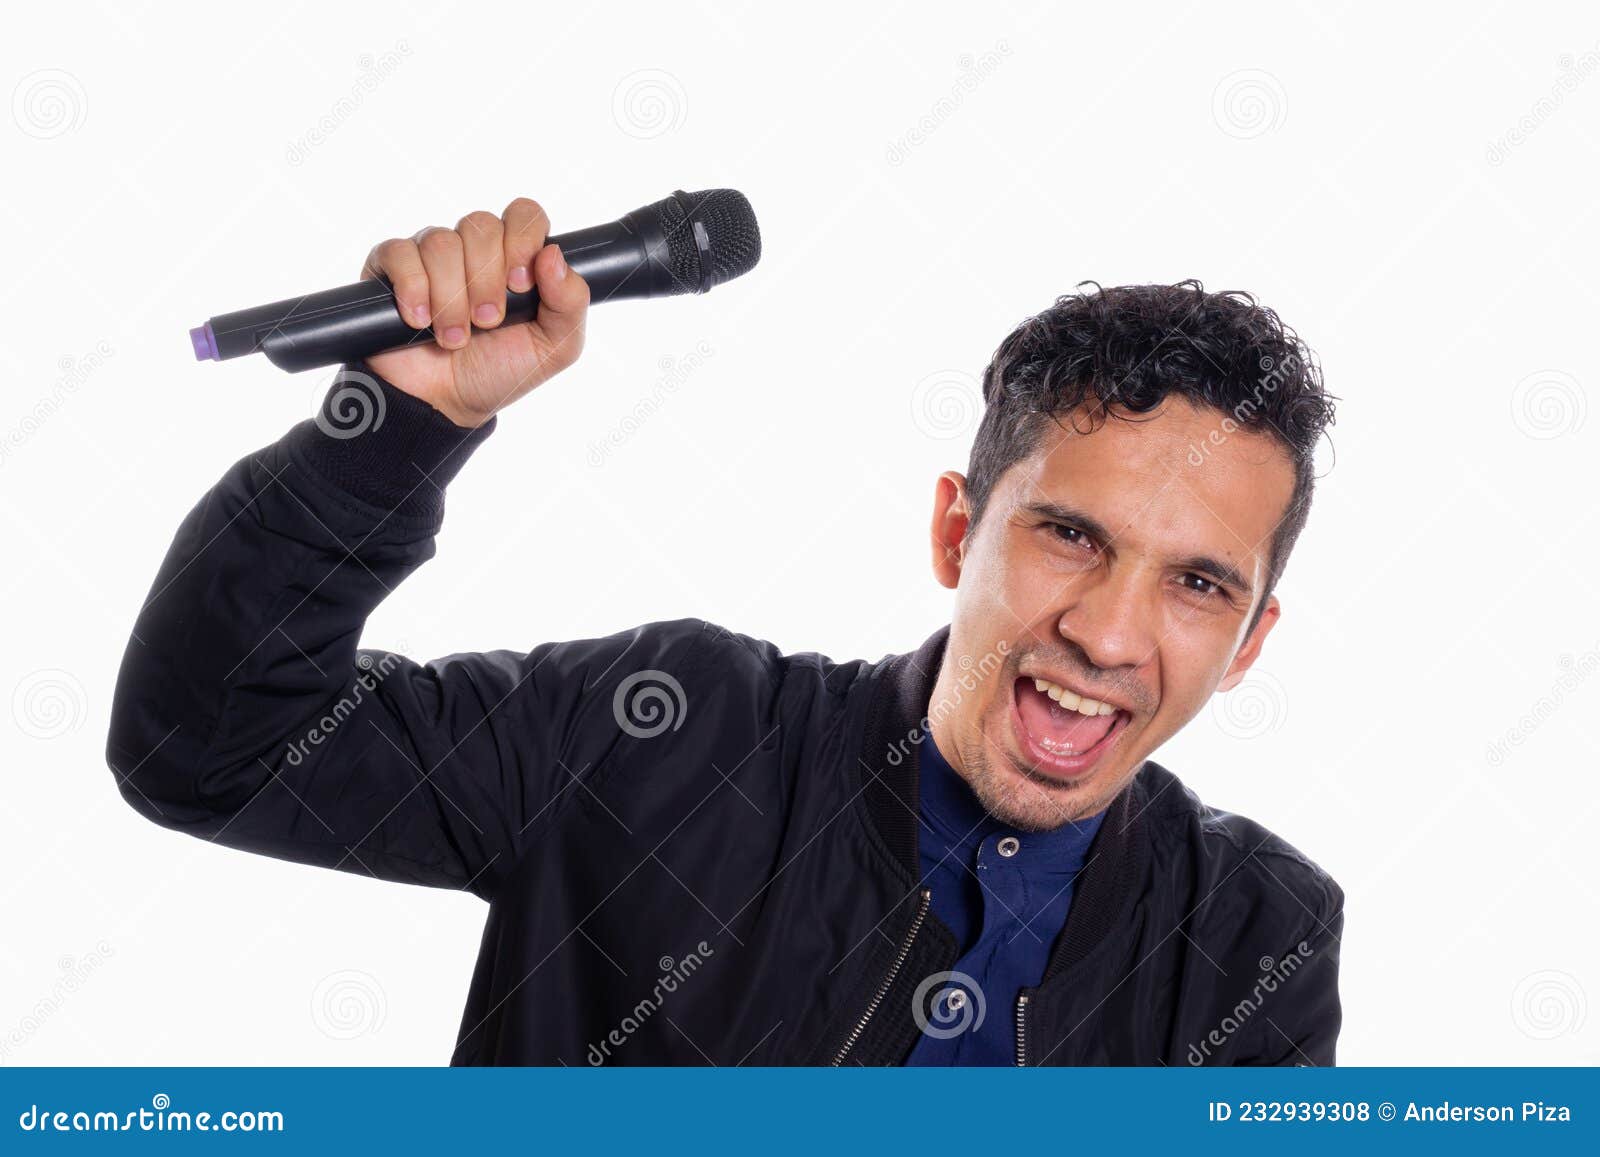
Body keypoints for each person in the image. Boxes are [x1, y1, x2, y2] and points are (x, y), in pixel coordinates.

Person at [108, 196, 1344, 1066]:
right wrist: (397, 418)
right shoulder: (668, 737)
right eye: (1072, 535)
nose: (1112, 634)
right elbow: (214, 743)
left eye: (1196, 585)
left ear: (1249, 640)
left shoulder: (1252, 934)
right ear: (955, 534)